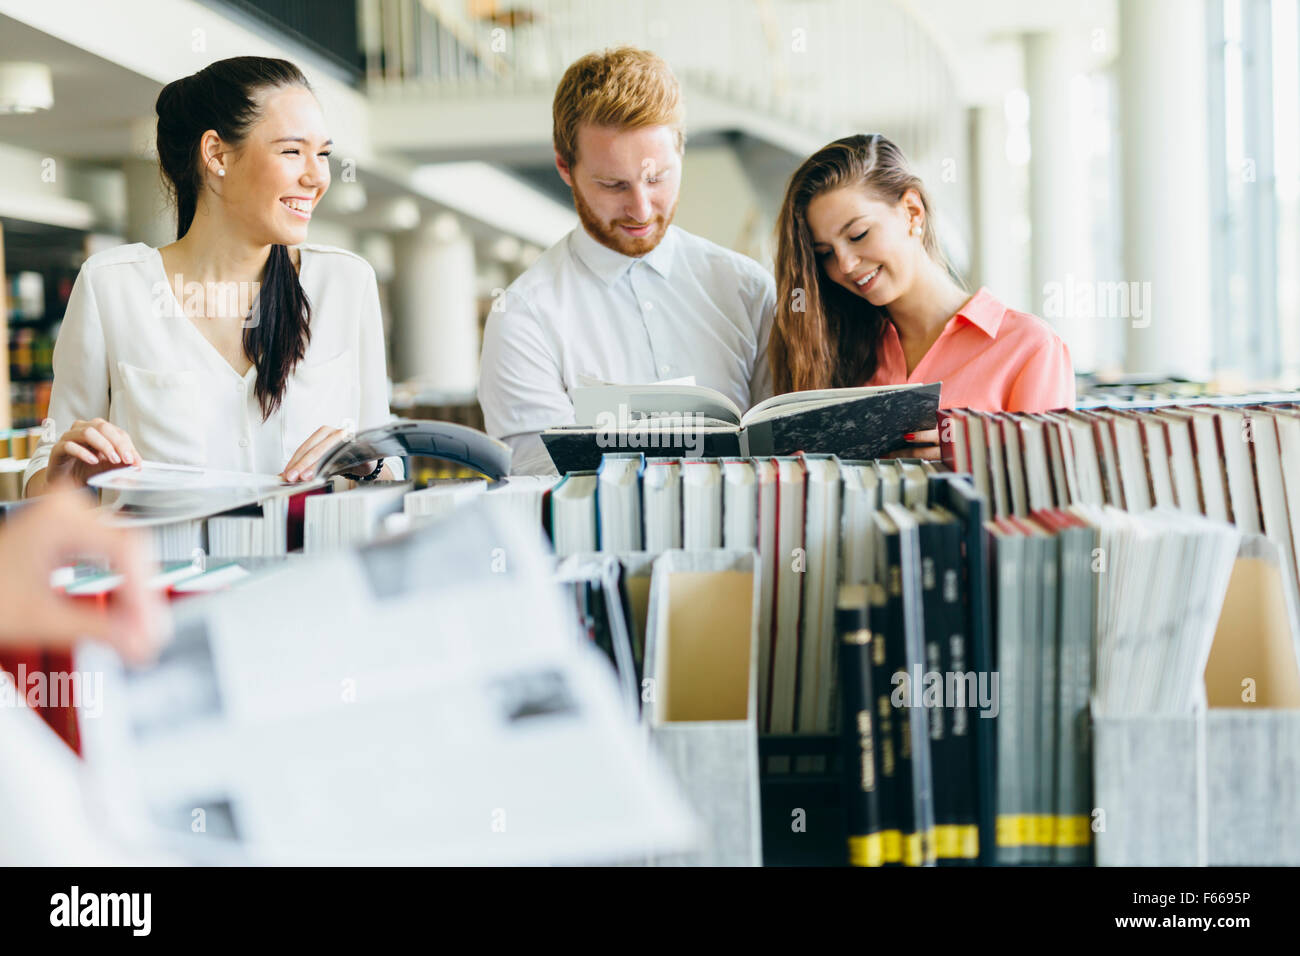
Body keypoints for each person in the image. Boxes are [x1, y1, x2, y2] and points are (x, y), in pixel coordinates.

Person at [24, 56, 399, 497]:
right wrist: (64, 477)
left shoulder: (346, 283)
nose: (317, 176)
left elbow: (388, 466)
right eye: (292, 151)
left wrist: (370, 466)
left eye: (323, 154)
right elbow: (48, 477)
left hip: (317, 565)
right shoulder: (112, 287)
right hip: (159, 566)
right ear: (217, 155)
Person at [478, 47, 775, 475]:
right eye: (613, 184)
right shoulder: (523, 317)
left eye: (656, 179)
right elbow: (541, 479)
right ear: (565, 166)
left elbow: (778, 453)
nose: (640, 209)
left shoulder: (748, 288)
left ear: (681, 151)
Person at [770, 134, 1075, 460]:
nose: (844, 265)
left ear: (912, 212)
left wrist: (979, 452)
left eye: (858, 234)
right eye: (825, 253)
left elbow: (1051, 493)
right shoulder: (835, 350)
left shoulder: (1029, 347)